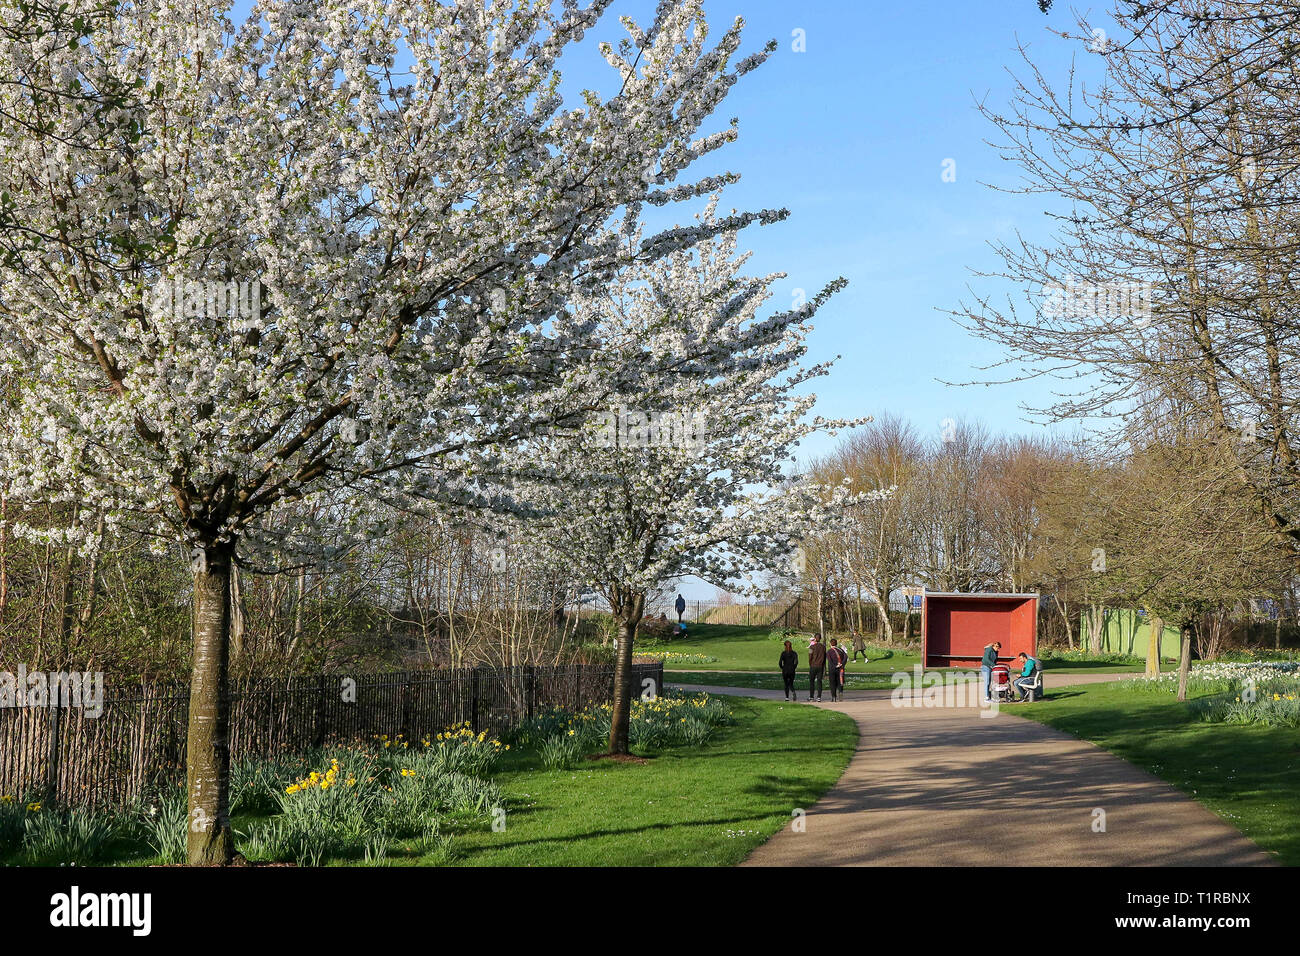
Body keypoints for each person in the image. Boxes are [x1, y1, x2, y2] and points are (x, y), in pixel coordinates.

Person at [807, 635, 826, 702]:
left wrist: (810, 664)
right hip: (820, 666)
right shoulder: (823, 647)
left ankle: (811, 697)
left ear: (815, 638)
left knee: (811, 681)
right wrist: (823, 665)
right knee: (819, 681)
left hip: (813, 665)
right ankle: (819, 697)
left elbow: (810, 656)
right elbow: (824, 657)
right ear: (820, 639)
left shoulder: (811, 647)